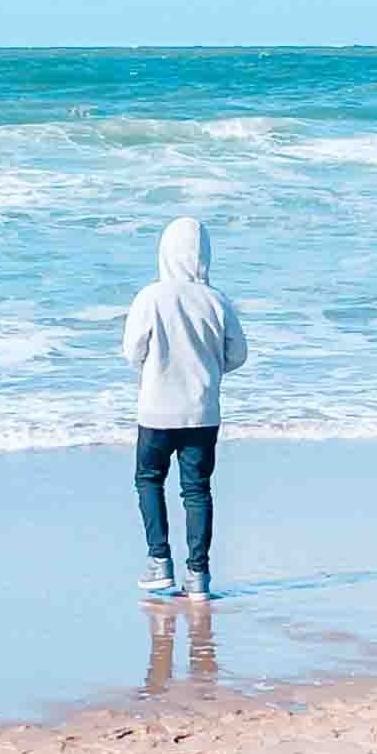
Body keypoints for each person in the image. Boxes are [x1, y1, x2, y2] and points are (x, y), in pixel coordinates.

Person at [120, 215, 248, 601]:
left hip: (156, 411)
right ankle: (198, 577)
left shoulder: (150, 297)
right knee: (196, 490)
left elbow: (132, 351)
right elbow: (238, 354)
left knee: (149, 480)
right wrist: (211, 366)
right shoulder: (216, 300)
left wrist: (155, 366)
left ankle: (159, 562)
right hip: (202, 412)